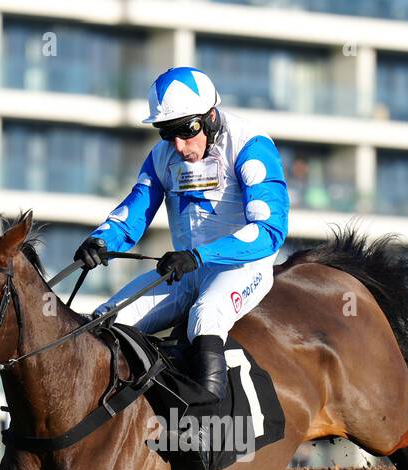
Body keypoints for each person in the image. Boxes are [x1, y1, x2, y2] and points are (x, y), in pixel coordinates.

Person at [74, 66, 289, 408]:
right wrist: (102, 242)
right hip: (188, 268)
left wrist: (201, 256)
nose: (178, 145)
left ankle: (209, 413)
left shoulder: (252, 146)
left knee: (206, 313)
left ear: (212, 117)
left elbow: (270, 232)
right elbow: (134, 212)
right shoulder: (161, 158)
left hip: (243, 267)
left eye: (187, 131)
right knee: (105, 319)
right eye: (166, 133)